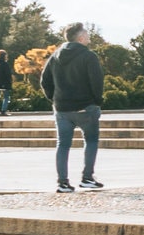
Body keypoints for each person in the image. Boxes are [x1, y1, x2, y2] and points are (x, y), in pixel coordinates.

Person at [42, 22, 105, 191]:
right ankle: (87, 178)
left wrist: (54, 99)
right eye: (87, 33)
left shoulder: (55, 56)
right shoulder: (89, 56)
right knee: (91, 141)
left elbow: (44, 80)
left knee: (62, 144)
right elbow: (97, 81)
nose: (89, 36)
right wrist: (97, 101)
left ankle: (62, 182)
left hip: (62, 108)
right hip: (86, 107)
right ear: (81, 37)